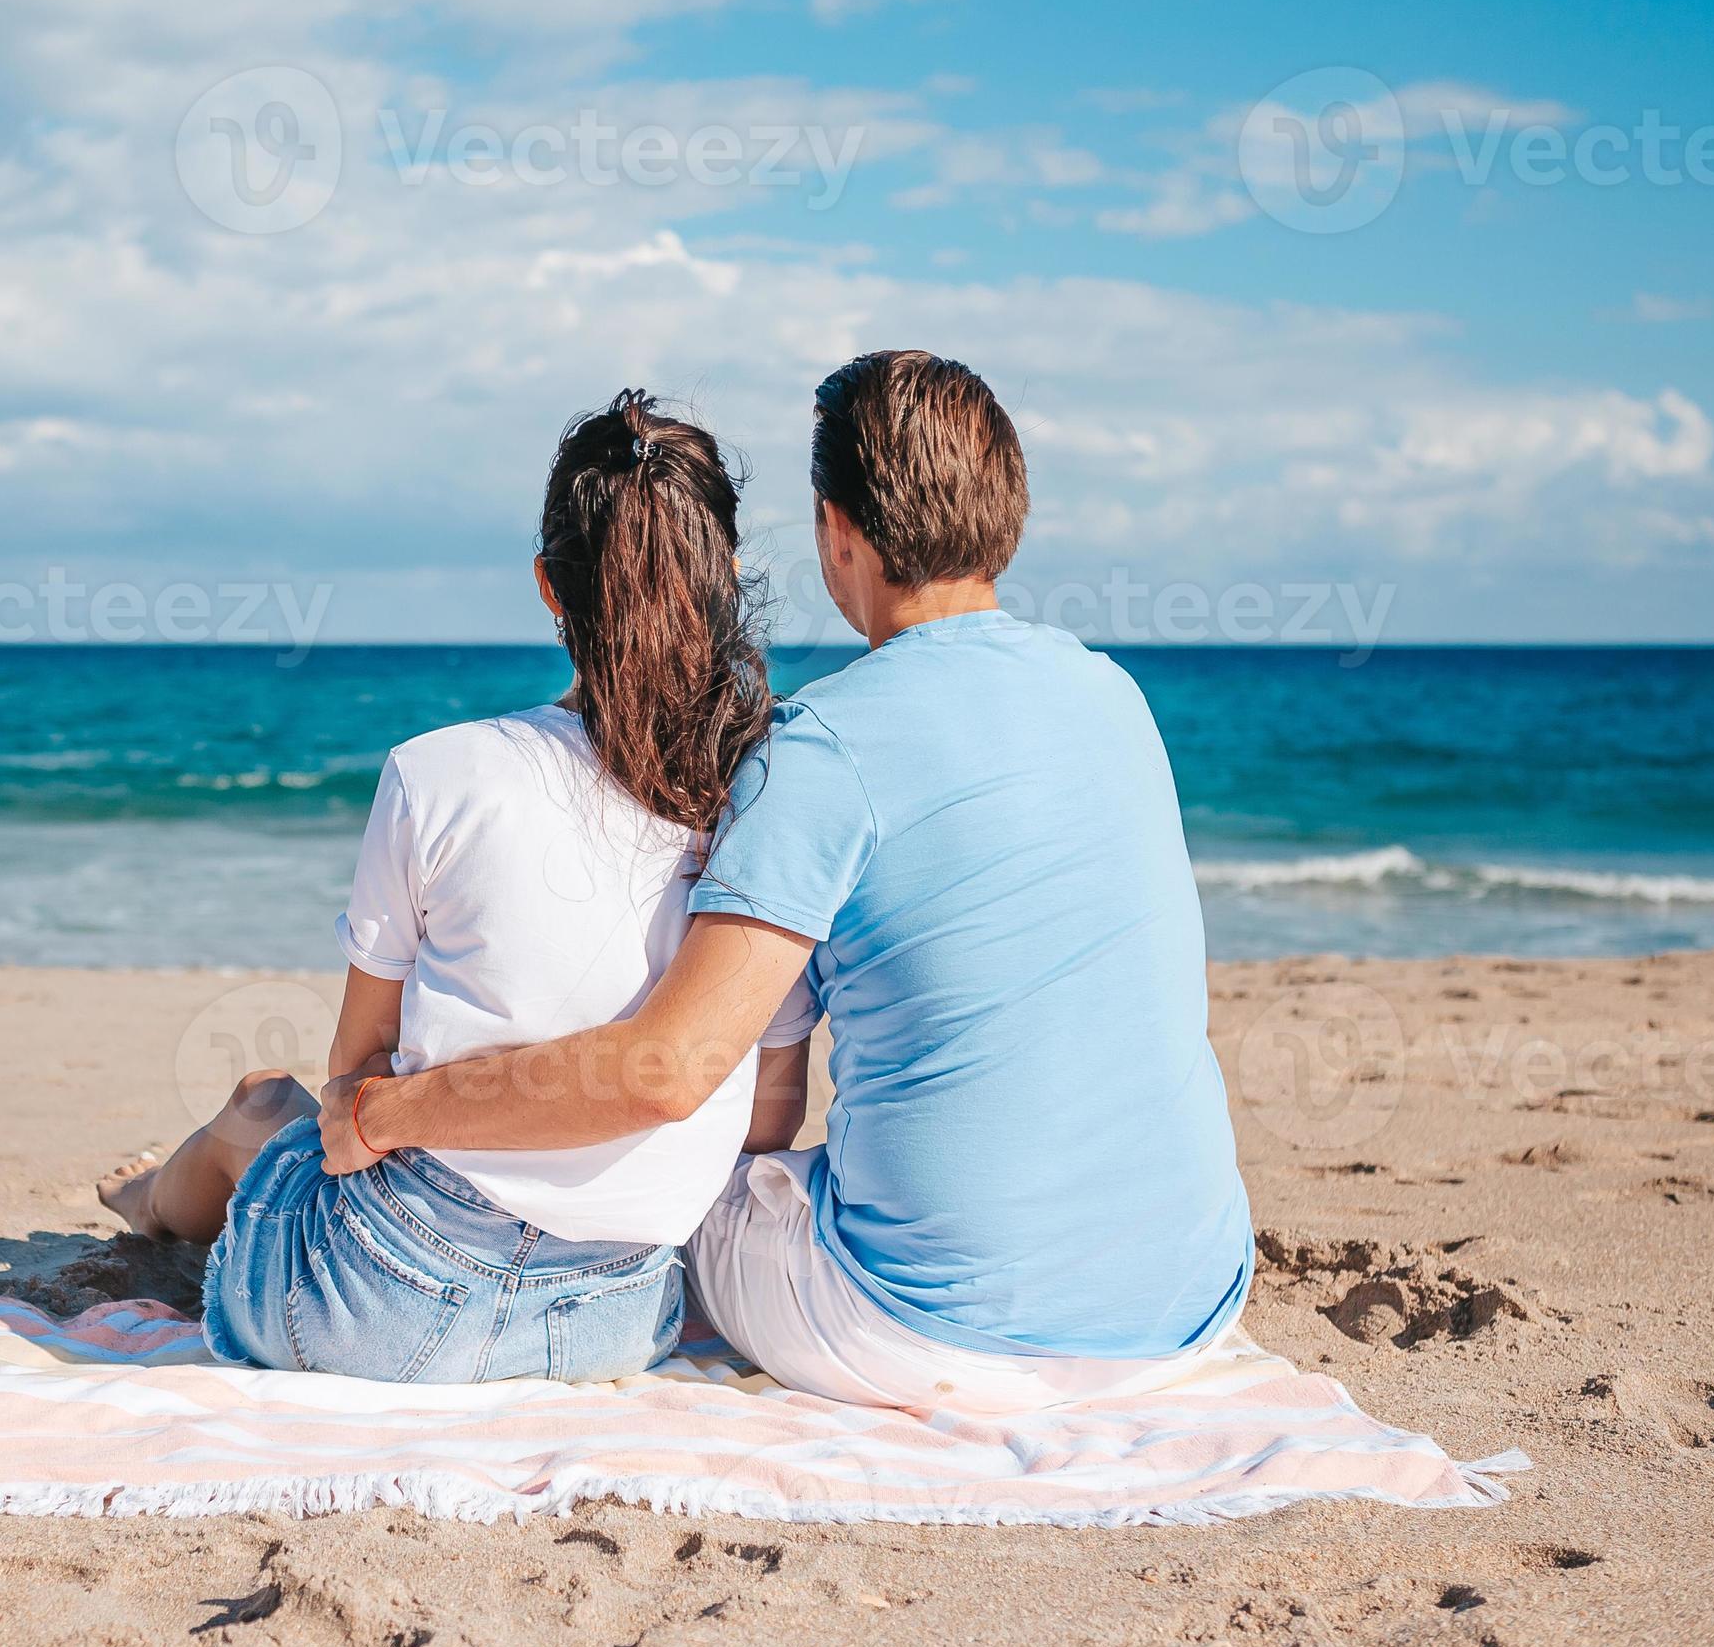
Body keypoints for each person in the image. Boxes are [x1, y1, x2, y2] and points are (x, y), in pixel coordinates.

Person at [316, 350, 1256, 1412]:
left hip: (929, 1330)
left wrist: (388, 1112)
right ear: (1010, 510)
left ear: (836, 529)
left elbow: (671, 1072)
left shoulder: (825, 748)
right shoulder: (1114, 699)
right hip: (1188, 1295)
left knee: (695, 1203)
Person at [99, 390, 797, 1383]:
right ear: (726, 576)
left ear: (551, 589)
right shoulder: (771, 814)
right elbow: (768, 1112)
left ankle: (151, 1207)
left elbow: (356, 1079)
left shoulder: (441, 771)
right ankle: (163, 1194)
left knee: (267, 1107)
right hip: (611, 1321)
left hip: (373, 1303)